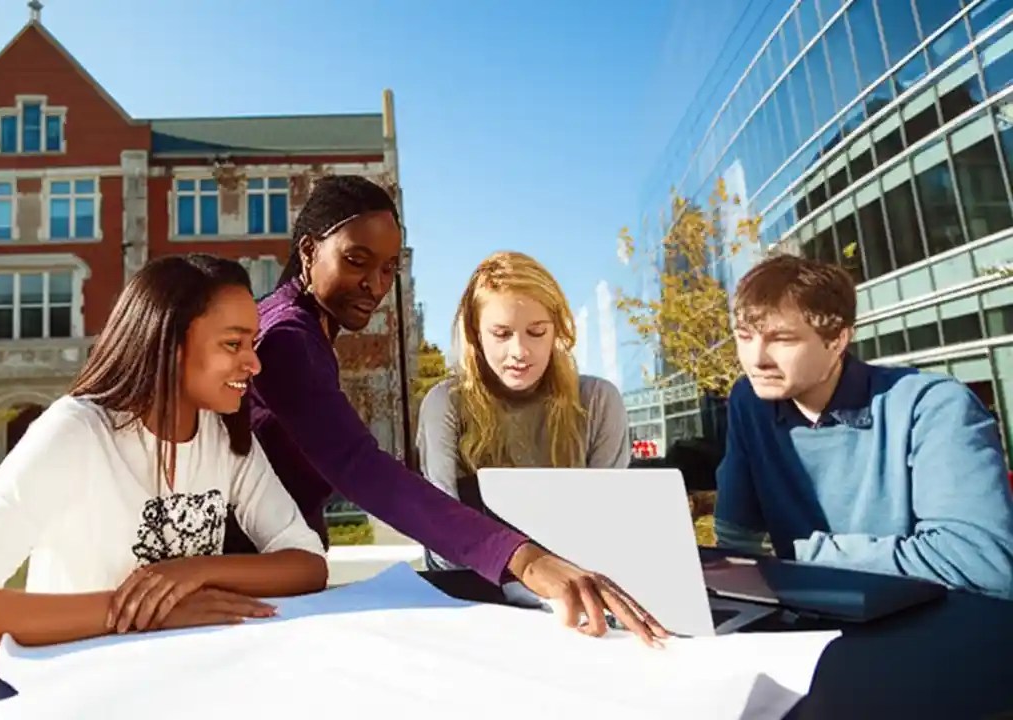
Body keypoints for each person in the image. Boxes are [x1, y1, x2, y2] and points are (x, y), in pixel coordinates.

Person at [231, 175, 669, 644]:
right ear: (308, 252)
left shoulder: (307, 332)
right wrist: (526, 559)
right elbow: (360, 467)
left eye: (388, 269)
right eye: (357, 261)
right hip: (245, 576)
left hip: (283, 575)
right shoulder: (286, 340)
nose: (374, 285)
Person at [0, 255, 328, 663]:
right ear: (168, 344)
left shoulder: (225, 436)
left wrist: (193, 572)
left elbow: (307, 563)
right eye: (233, 345)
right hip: (83, 689)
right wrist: (137, 613)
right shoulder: (76, 433)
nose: (254, 364)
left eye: (252, 343)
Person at [715, 254, 1013, 599]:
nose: (756, 359)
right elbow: (736, 541)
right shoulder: (748, 401)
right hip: (804, 621)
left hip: (924, 625)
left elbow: (981, 563)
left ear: (838, 341)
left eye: (782, 339)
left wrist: (808, 557)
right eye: (744, 336)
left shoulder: (932, 406)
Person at [416, 250, 629, 571]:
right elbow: (442, 544)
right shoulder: (446, 404)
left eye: (537, 332)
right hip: (472, 597)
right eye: (501, 334)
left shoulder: (598, 401)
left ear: (557, 330)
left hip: (578, 592)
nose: (519, 351)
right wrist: (529, 569)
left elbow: (610, 530)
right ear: (475, 334)